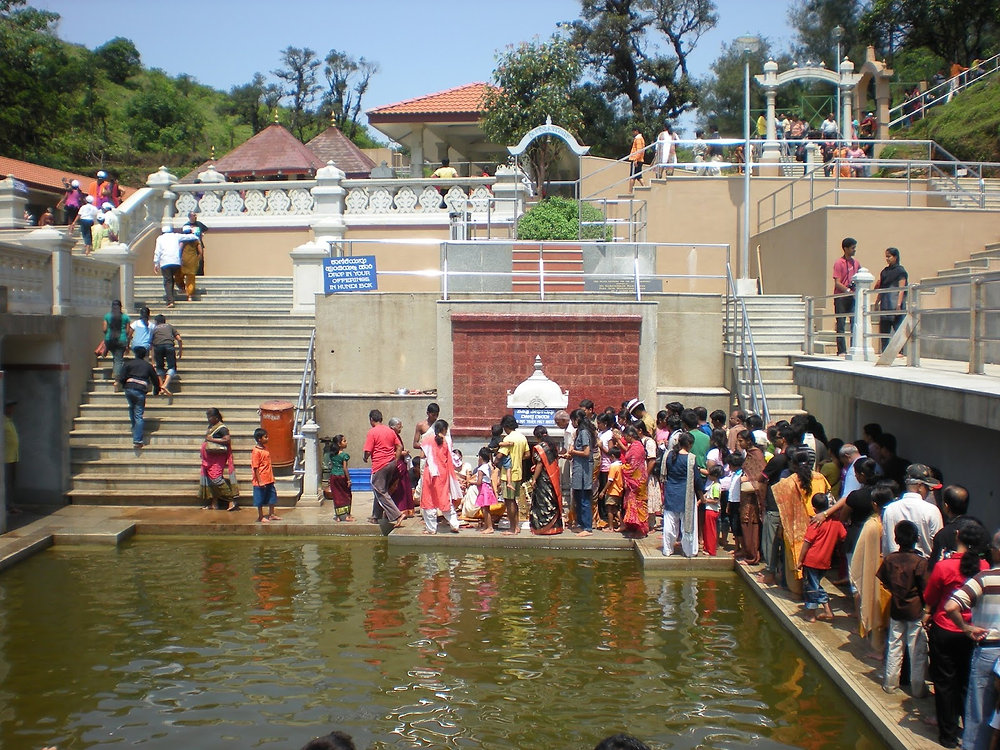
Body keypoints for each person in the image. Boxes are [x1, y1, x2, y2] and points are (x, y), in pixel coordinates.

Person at [925, 523, 991, 748]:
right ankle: (968, 730)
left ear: (957, 537)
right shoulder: (984, 566)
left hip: (945, 629)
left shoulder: (944, 567)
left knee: (944, 684)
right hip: (973, 631)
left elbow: (930, 596)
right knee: (966, 683)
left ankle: (948, 736)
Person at [944, 528, 1000, 750]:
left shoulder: (985, 579)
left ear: (996, 552)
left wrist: (966, 628)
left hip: (988, 649)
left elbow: (951, 606)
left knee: (978, 713)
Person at [878, 519, 930, 695]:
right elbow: (926, 589)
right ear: (916, 538)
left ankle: (890, 683)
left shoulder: (890, 559)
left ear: (897, 539)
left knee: (894, 646)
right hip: (915, 609)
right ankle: (917, 688)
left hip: (896, 608)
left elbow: (884, 581)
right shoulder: (920, 562)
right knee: (916, 650)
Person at [773, 450, 832, 595]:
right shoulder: (820, 478)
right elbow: (828, 496)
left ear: (793, 464)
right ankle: (813, 591)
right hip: (818, 523)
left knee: (794, 559)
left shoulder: (789, 481)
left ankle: (797, 592)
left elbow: (782, 505)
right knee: (814, 560)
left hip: (795, 526)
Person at [797, 493, 846, 622]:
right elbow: (843, 536)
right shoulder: (836, 523)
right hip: (825, 561)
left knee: (811, 587)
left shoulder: (815, 522)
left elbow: (807, 543)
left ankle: (811, 613)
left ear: (814, 508)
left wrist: (800, 560)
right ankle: (827, 610)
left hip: (812, 560)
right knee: (816, 584)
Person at [882, 463, 943, 557]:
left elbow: (886, 546)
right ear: (919, 486)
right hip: (924, 567)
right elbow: (938, 546)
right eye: (928, 487)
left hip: (895, 566)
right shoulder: (932, 510)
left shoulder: (890, 509)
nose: (929, 492)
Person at [362, 409, 404, 535]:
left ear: (371, 420)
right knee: (381, 489)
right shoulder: (390, 431)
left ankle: (397, 515)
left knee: (379, 490)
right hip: (391, 463)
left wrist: (365, 457)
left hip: (380, 464)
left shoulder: (372, 432)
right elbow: (399, 447)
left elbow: (368, 450)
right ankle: (376, 516)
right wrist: (395, 460)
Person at [661, 432, 703, 557]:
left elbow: (663, 474)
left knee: (669, 523)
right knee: (688, 525)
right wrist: (701, 496)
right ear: (689, 444)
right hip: (686, 495)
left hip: (671, 493)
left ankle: (667, 549)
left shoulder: (668, 455)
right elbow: (697, 480)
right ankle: (689, 551)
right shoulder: (691, 458)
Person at [418, 419, 460, 535]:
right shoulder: (447, 441)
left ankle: (431, 529)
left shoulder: (427, 439)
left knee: (429, 500)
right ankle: (454, 524)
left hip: (430, 473)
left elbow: (422, 455)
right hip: (442, 473)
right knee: (444, 498)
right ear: (444, 429)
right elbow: (450, 458)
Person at [199, 407, 240, 511]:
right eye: (207, 417)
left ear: (216, 418)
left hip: (217, 458)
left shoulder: (222, 428)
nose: (208, 419)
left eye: (210, 417)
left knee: (216, 479)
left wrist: (212, 439)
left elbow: (227, 440)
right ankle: (214, 503)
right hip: (208, 458)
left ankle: (232, 500)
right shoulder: (211, 426)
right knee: (210, 481)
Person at [117, 346, 157, 450]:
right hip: (140, 390)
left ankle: (134, 427)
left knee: (131, 407)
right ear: (145, 355)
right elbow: (155, 379)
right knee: (139, 414)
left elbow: (121, 377)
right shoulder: (148, 366)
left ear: (135, 354)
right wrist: (156, 390)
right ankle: (138, 440)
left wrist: (123, 384)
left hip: (129, 388)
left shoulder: (129, 363)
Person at [527, 426, 563, 535]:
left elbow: (540, 464)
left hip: (543, 479)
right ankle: (556, 527)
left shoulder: (540, 447)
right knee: (552, 499)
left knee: (543, 502)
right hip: (552, 477)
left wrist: (534, 479)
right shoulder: (552, 446)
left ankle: (543, 527)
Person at [565, 409, 596, 537]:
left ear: (577, 419)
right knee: (578, 497)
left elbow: (586, 452)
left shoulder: (584, 432)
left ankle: (587, 527)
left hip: (584, 470)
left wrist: (573, 452)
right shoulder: (580, 432)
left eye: (573, 420)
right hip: (578, 468)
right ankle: (581, 524)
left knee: (584, 498)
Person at [497, 414, 529, 535]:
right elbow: (527, 455)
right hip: (518, 473)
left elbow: (500, 455)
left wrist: (496, 461)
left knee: (509, 501)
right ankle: (516, 526)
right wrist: (517, 458)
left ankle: (512, 528)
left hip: (507, 475)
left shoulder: (507, 439)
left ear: (506, 426)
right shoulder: (522, 437)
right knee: (514, 501)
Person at [873, 247, 908, 351]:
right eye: (886, 257)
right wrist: (877, 302)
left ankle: (899, 351)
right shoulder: (884, 272)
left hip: (895, 303)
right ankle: (884, 350)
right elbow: (881, 288)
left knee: (897, 328)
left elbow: (901, 288)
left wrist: (898, 304)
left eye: (889, 256)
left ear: (895, 257)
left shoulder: (900, 271)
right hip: (885, 304)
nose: (887, 259)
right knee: (884, 329)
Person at [832, 237, 860, 355]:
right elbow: (837, 283)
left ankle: (854, 348)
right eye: (852, 248)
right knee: (841, 323)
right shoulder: (839, 263)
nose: (854, 250)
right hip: (841, 297)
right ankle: (842, 350)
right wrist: (848, 290)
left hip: (853, 297)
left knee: (855, 322)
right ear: (845, 248)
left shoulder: (856, 263)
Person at [251, 428, 280, 523]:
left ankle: (271, 514)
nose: (267, 438)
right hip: (261, 479)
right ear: (259, 439)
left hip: (269, 478)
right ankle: (261, 516)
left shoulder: (265, 449)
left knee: (272, 496)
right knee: (259, 499)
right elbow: (255, 467)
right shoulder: (256, 451)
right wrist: (259, 480)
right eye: (265, 437)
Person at [149, 314, 181, 396]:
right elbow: (179, 339)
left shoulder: (154, 329)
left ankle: (161, 387)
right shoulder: (170, 326)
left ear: (156, 322)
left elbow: (151, 346)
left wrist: (153, 361)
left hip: (158, 347)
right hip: (169, 346)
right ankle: (165, 385)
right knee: (172, 367)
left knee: (159, 367)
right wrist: (180, 351)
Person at [102, 300, 131, 391]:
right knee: (118, 359)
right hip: (121, 340)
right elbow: (127, 331)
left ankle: (116, 373)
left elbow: (104, 329)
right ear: (120, 307)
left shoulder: (107, 316)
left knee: (116, 358)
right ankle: (117, 380)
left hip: (109, 340)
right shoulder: (125, 317)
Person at [153, 227, 183, 308]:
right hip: (176, 262)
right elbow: (187, 237)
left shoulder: (160, 238)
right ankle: (182, 288)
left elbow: (157, 251)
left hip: (165, 262)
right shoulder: (176, 236)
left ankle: (170, 301)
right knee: (175, 278)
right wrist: (195, 235)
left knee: (168, 281)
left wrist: (156, 263)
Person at [325, 434, 354, 521]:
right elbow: (345, 468)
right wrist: (348, 479)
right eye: (344, 441)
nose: (346, 442)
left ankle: (338, 516)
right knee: (347, 494)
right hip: (341, 476)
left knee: (336, 495)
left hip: (333, 476)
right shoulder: (344, 455)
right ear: (339, 444)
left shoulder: (332, 455)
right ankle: (347, 515)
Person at [472, 448, 499, 534]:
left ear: (480, 457)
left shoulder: (481, 469)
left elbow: (479, 482)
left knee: (485, 510)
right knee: (485, 509)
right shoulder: (488, 466)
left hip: (484, 489)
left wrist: (471, 482)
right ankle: (486, 525)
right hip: (488, 488)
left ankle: (490, 527)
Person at [701, 464, 723, 556]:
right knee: (707, 529)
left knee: (711, 530)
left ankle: (711, 550)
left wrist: (705, 501)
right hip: (709, 510)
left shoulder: (716, 486)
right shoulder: (713, 485)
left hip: (712, 510)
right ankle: (707, 547)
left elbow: (715, 500)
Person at [4, 401, 21, 515]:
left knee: (11, 482)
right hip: (5, 459)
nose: (12, 410)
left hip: (13, 457)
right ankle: (8, 506)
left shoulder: (9, 421)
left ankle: (10, 505)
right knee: (6, 483)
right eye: (10, 407)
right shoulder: (3, 421)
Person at [178, 226, 203, 302]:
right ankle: (190, 295)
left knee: (179, 275)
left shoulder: (183, 240)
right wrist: (198, 258)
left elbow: (179, 250)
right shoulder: (196, 240)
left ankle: (182, 288)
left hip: (184, 261)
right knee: (191, 279)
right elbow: (200, 251)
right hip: (193, 261)